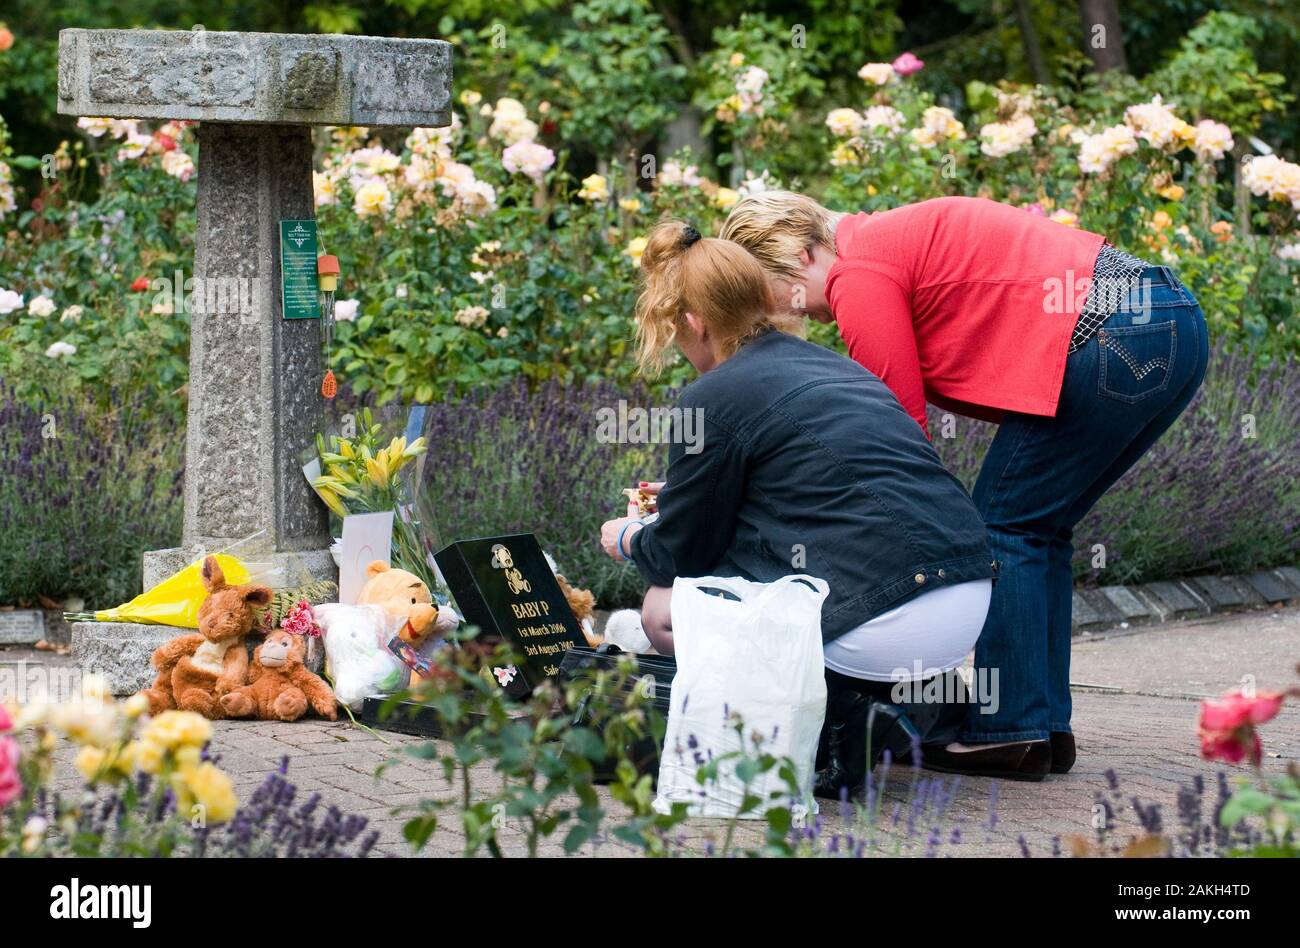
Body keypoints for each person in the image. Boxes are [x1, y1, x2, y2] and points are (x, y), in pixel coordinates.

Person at [720, 191, 1209, 778]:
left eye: (793, 303)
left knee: (1005, 528)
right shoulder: (888, 240)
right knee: (1038, 528)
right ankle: (1041, 728)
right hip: (1166, 317)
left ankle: (1010, 730)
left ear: (802, 255)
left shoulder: (859, 271)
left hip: (1118, 331)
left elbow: (894, 436)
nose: (809, 319)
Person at [597, 218, 997, 792]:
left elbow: (680, 557)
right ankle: (902, 705)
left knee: (663, 609)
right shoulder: (835, 367)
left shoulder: (710, 395)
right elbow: (824, 495)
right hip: (964, 600)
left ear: (691, 321)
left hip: (888, 617)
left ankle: (841, 719)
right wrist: (689, 499)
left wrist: (631, 537)